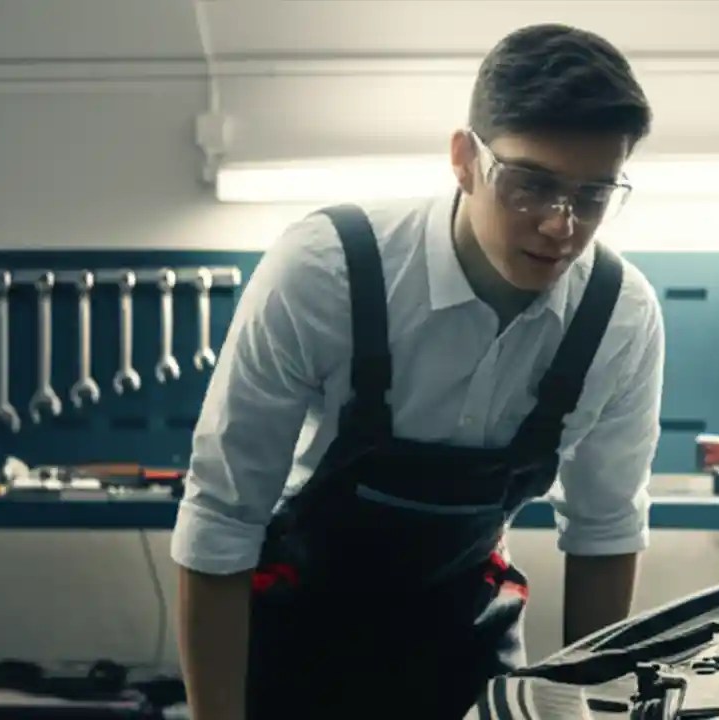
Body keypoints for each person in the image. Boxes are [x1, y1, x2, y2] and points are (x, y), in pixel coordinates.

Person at [170, 22, 665, 720]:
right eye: (533, 185)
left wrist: (594, 711)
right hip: (295, 636)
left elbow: (604, 532)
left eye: (592, 196)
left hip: (464, 641)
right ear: (464, 159)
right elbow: (222, 517)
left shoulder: (619, 315)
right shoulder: (325, 272)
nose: (562, 226)